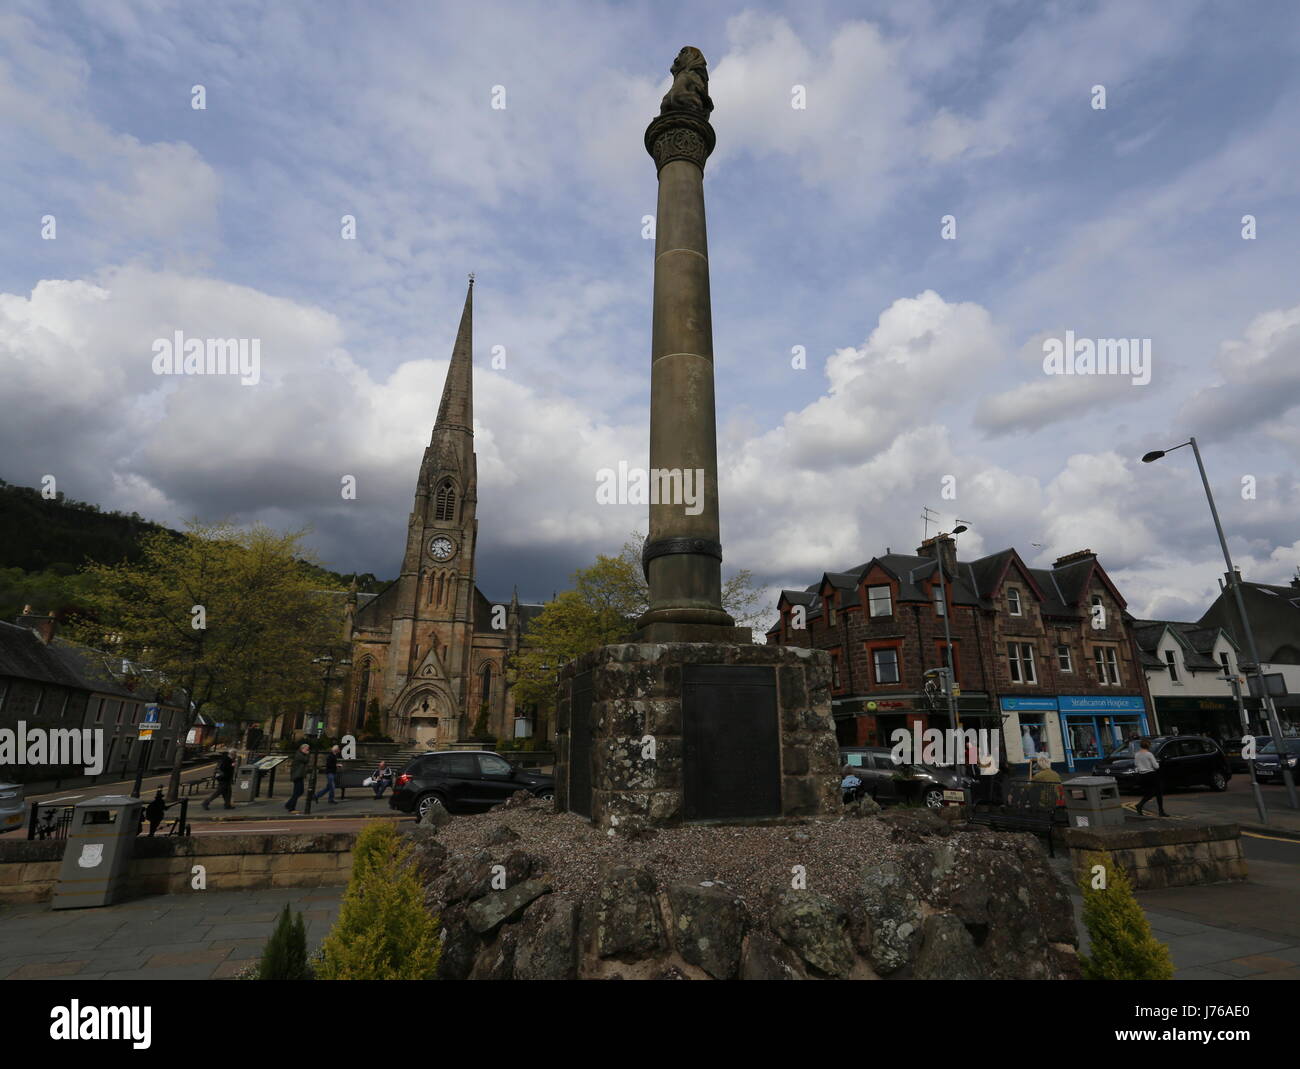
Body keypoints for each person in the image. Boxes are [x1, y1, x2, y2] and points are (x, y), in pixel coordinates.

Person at [1134, 739, 1167, 816]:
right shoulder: (1149, 754)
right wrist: (1157, 763)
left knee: (1149, 792)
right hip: (1151, 774)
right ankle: (1161, 811)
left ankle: (1140, 805)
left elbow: (1136, 764)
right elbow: (1156, 766)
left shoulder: (1137, 754)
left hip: (1142, 775)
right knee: (1158, 792)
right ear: (1148, 746)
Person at [285, 743, 311, 814]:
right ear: (302, 749)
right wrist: (307, 754)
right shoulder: (299, 755)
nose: (308, 750)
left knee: (299, 791)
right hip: (297, 776)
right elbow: (306, 760)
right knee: (297, 792)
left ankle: (288, 804)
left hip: (299, 776)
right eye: (307, 749)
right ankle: (291, 808)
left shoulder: (300, 754)